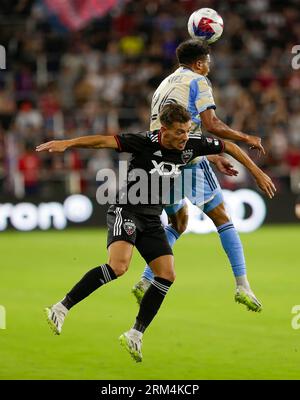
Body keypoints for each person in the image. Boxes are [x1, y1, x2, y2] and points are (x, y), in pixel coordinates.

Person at [36, 104, 275, 362]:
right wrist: (67, 143)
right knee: (118, 267)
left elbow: (229, 146)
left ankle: (135, 335)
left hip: (151, 219)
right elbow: (101, 142)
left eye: (187, 131)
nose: (185, 137)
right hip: (126, 211)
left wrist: (258, 173)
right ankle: (61, 308)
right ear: (164, 130)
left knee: (167, 274)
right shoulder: (143, 141)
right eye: (179, 132)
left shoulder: (192, 144)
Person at [132, 39, 266, 312]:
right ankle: (242, 286)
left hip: (161, 164)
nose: (209, 67)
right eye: (208, 62)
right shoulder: (198, 81)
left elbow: (173, 130)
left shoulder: (165, 83)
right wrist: (246, 137)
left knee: (178, 222)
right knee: (222, 218)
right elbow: (211, 124)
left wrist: (211, 156)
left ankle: (146, 281)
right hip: (187, 162)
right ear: (199, 63)